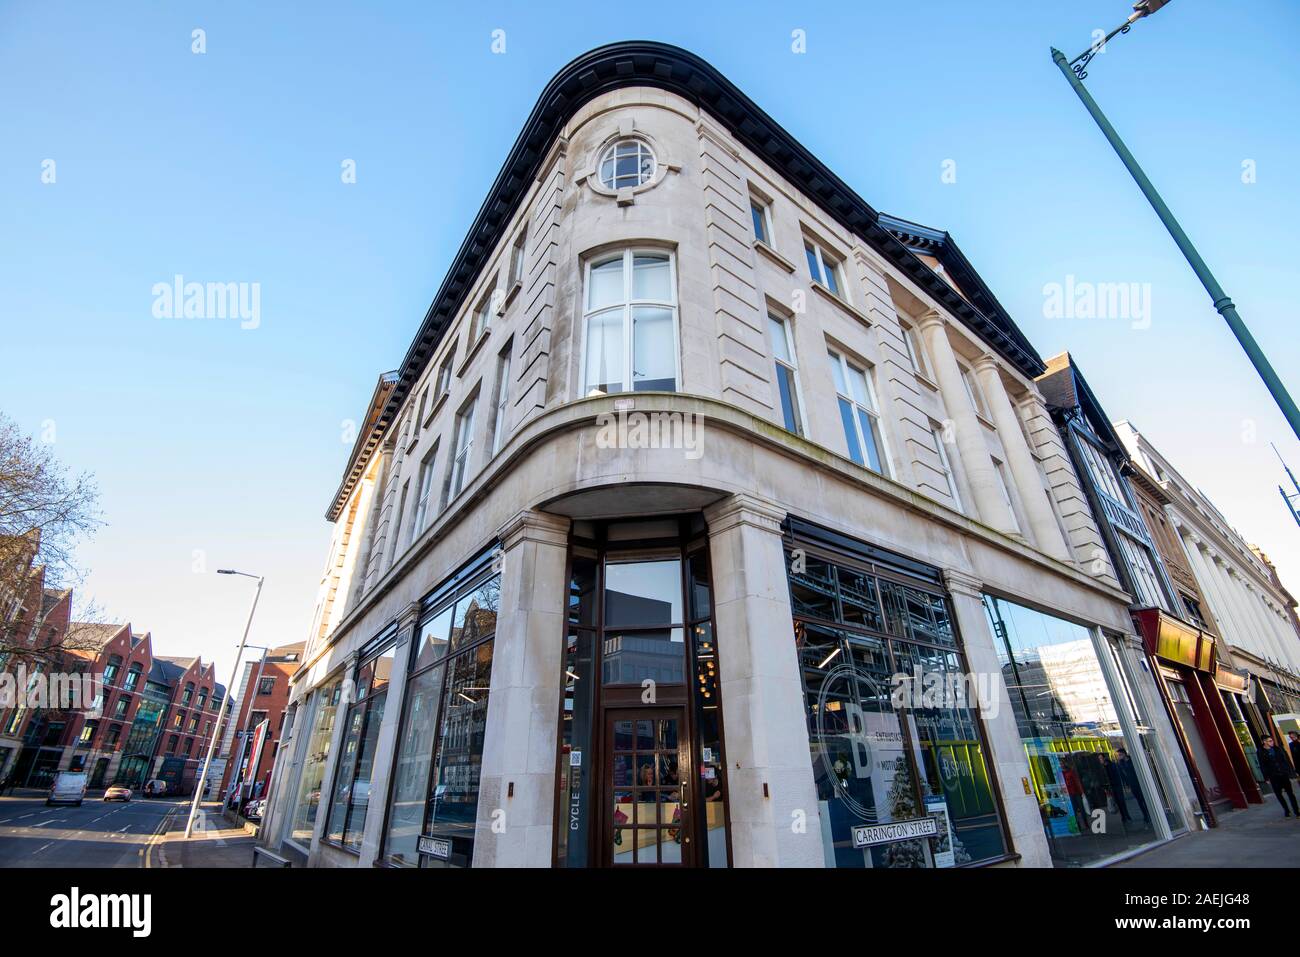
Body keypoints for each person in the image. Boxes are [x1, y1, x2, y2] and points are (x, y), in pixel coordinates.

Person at [1257, 735, 1299, 818]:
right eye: (1269, 741)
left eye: (1272, 740)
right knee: (1279, 794)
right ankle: (1286, 811)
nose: (1272, 742)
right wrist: (1266, 777)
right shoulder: (1260, 752)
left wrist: (1288, 772)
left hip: (1283, 774)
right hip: (1273, 776)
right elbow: (1262, 765)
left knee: (1290, 793)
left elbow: (1284, 761)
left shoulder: (1277, 749)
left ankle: (1297, 811)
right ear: (1264, 742)